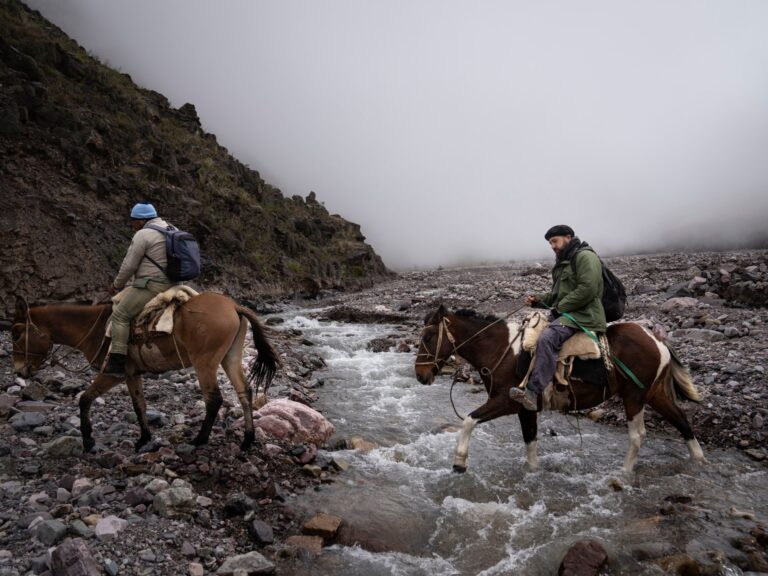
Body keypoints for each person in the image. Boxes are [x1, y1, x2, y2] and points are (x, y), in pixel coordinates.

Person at [509, 225, 606, 411]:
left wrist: (561, 307)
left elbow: (588, 289)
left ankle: (533, 391)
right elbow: (556, 296)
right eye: (550, 243)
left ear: (568, 237)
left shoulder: (585, 256)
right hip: (570, 312)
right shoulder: (563, 263)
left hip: (584, 315)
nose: (552, 246)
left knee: (547, 338)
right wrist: (537, 300)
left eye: (555, 241)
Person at [102, 202, 178, 376]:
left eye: (134, 221)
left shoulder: (143, 234)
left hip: (153, 285)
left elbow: (129, 266)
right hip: (176, 284)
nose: (132, 224)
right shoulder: (172, 228)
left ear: (142, 220)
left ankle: (118, 361)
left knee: (120, 314)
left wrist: (116, 285)